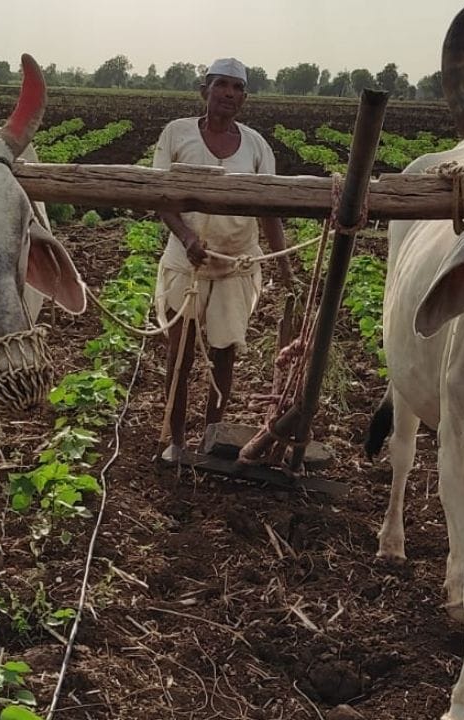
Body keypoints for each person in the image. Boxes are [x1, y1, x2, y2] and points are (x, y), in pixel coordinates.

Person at [152, 57, 294, 463]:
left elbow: (269, 208)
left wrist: (285, 268)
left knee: (224, 353)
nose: (229, 94)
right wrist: (186, 236)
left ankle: (211, 440)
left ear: (244, 98)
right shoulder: (177, 134)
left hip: (235, 264)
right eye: (221, 85)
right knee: (179, 356)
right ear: (205, 91)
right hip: (186, 263)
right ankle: (177, 440)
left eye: (237, 88)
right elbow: (160, 196)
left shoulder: (256, 146)